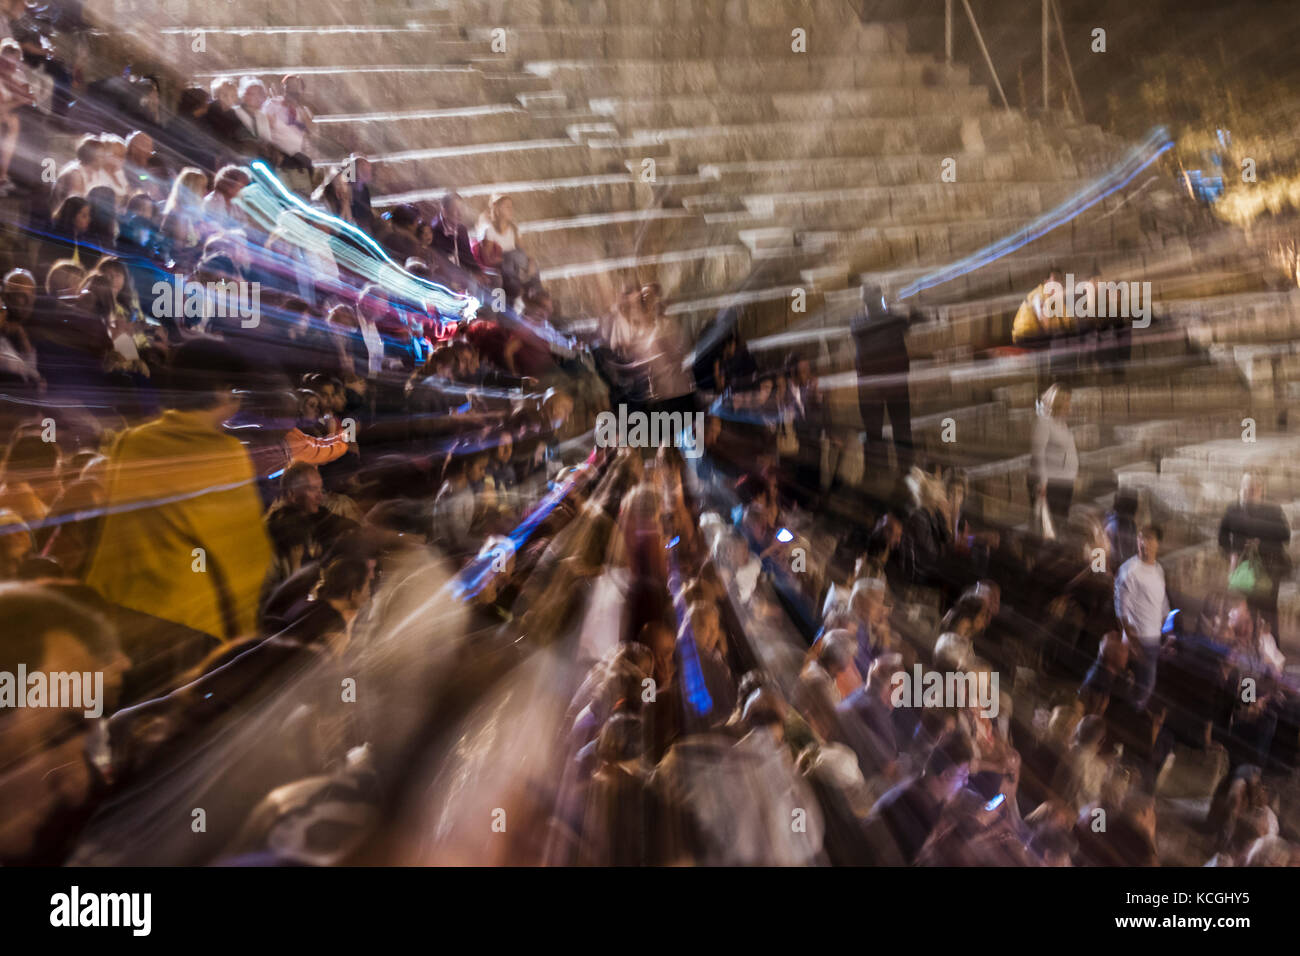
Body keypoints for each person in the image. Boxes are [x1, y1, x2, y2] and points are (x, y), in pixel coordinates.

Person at [85, 339, 273, 645]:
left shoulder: (131, 441)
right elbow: (243, 553)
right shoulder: (224, 453)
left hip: (117, 609)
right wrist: (244, 634)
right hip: (186, 622)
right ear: (226, 392)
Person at [862, 730, 973, 865]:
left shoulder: (927, 797)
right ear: (946, 775)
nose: (965, 782)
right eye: (963, 775)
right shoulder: (915, 810)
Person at [1218, 472, 1291, 635]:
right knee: (1245, 614)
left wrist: (1260, 543)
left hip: (1268, 570)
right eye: (1244, 488)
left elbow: (1285, 536)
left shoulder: (1273, 510)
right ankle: (1247, 653)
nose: (1246, 492)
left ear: (1260, 490)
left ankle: (1270, 653)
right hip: (1243, 572)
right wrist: (1231, 555)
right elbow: (1222, 537)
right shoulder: (1233, 509)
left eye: (1251, 489)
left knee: (1267, 616)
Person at [850, 283, 912, 471]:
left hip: (871, 388)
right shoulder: (893, 319)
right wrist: (891, 307)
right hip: (894, 385)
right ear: (880, 300)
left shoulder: (857, 323)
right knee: (901, 429)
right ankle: (905, 471)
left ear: (865, 302)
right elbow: (907, 321)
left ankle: (876, 472)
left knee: (873, 433)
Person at [1113, 525, 1169, 709]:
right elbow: (1121, 608)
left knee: (1145, 686)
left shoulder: (1159, 570)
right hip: (1136, 640)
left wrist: (1166, 632)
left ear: (1158, 544)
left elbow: (1162, 604)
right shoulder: (1129, 570)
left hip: (1153, 639)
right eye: (1140, 537)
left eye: (1149, 538)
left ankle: (1133, 717)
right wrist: (1131, 640)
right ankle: (1128, 718)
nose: (1143, 542)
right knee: (1136, 685)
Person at [1028, 382, 1077, 536]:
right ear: (1058, 402)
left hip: (1065, 482)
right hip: (1051, 483)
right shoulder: (1043, 422)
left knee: (1060, 525)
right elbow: (1038, 453)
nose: (1069, 404)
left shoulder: (1062, 423)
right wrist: (1042, 481)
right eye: (1067, 400)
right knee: (1049, 526)